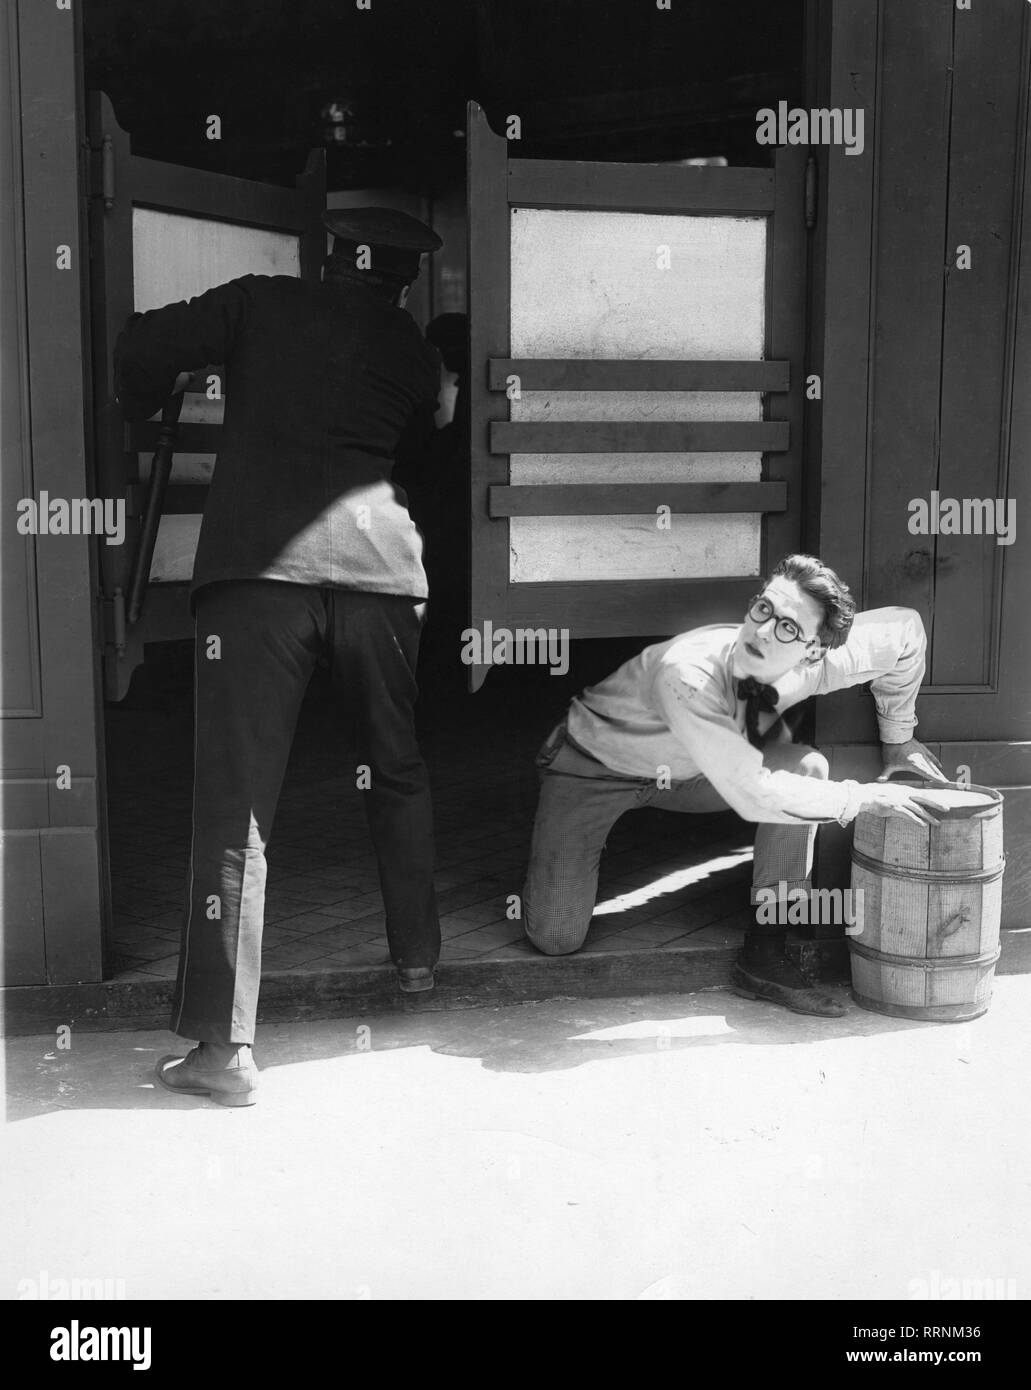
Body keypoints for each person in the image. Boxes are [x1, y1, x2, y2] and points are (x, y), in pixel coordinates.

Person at [114, 208, 445, 1106]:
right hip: (381, 577)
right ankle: (417, 965)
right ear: (405, 281)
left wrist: (141, 396)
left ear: (327, 258)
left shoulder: (259, 305)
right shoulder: (413, 352)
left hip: (258, 578)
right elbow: (416, 444)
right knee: (397, 764)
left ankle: (225, 1054)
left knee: (238, 803)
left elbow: (142, 343)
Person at [521, 554, 948, 1017]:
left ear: (813, 651)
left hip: (693, 773)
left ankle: (765, 953)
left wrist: (898, 739)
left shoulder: (819, 664)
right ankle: (575, 841)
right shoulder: (689, 671)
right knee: (556, 937)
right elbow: (750, 792)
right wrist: (861, 798)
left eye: (788, 627)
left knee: (807, 767)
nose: (763, 630)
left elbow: (905, 632)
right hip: (593, 767)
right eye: (763, 609)